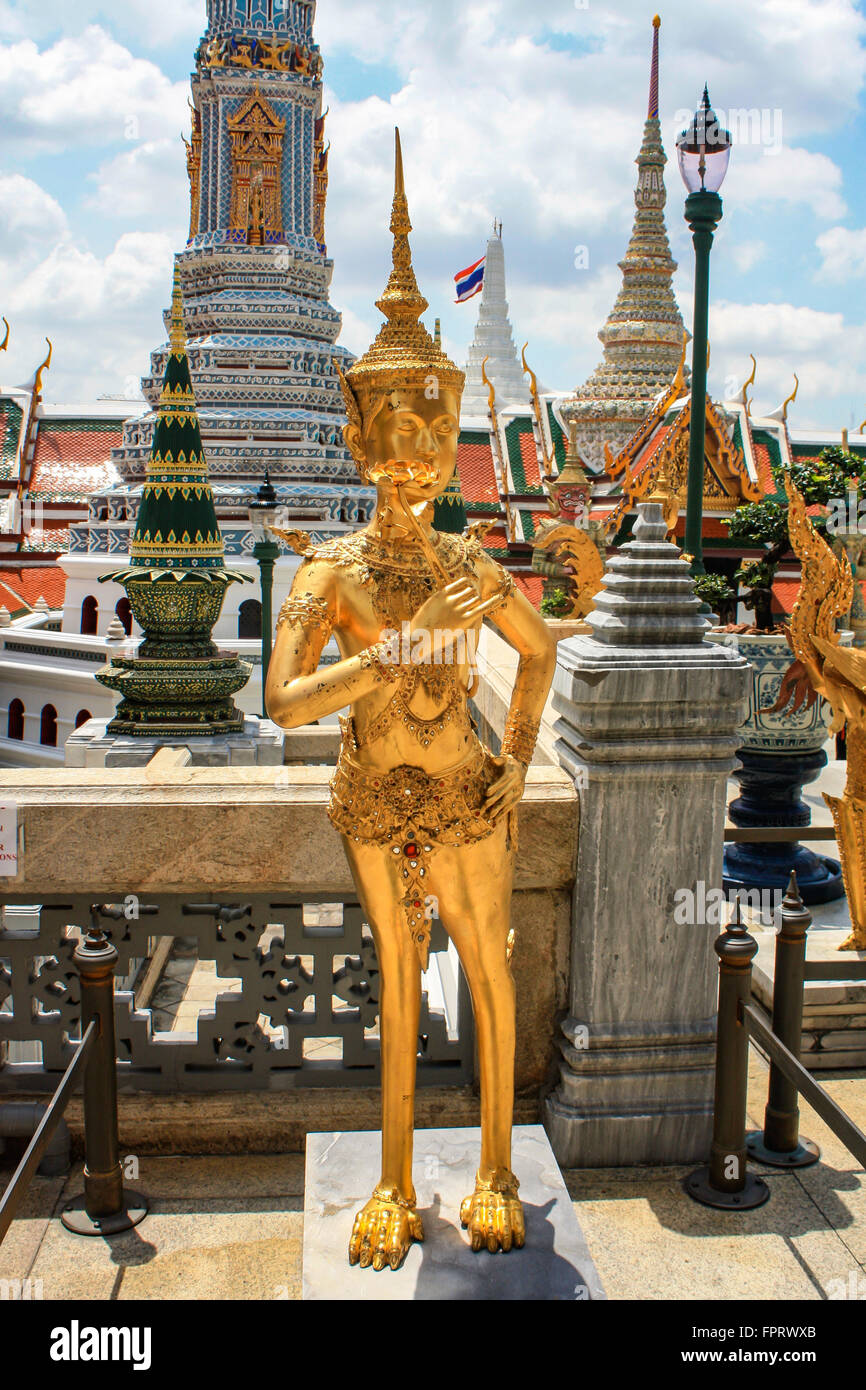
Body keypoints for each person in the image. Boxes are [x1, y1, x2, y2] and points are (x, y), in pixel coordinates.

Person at [266, 130, 556, 1271]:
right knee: (396, 982)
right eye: (392, 446)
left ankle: (492, 1167)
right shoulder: (330, 572)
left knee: (485, 969)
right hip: (372, 791)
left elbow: (533, 656)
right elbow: (286, 700)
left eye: (429, 445)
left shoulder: (471, 563)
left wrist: (516, 761)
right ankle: (392, 1179)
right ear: (359, 441)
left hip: (468, 794)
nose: (412, 466)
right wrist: (376, 665)